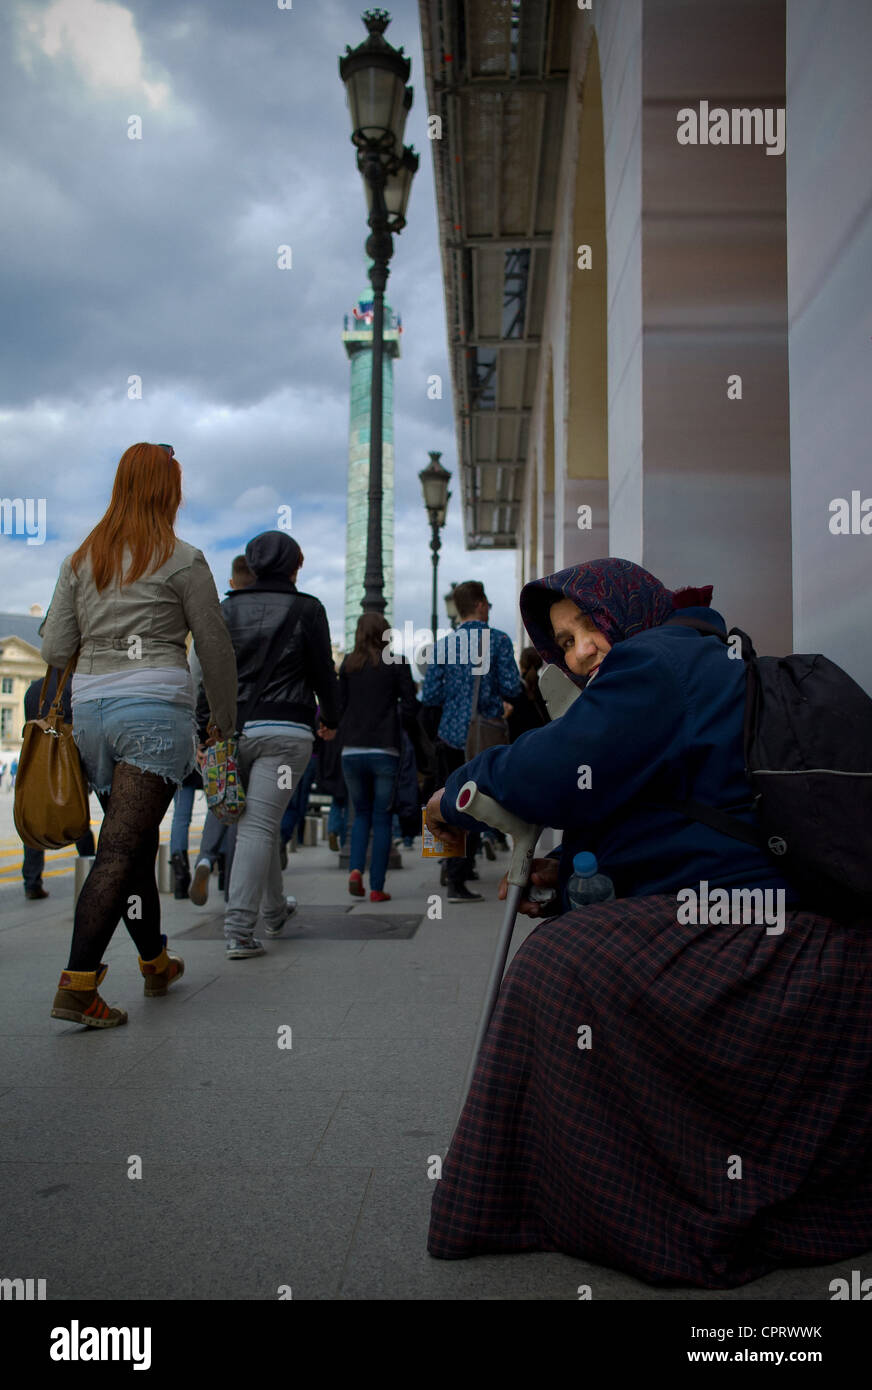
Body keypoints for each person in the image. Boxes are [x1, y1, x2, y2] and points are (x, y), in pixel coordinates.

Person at [424, 557, 872, 1288]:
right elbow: (665, 817)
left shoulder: (656, 660)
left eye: (585, 626)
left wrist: (454, 793)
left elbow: (554, 766)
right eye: (563, 643)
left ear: (625, 606)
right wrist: (562, 874)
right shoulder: (688, 658)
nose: (580, 652)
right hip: (746, 901)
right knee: (567, 950)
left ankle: (604, 1200)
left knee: (557, 963)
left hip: (753, 916)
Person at [39, 442, 237, 1028]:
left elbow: (53, 648)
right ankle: (78, 985)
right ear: (166, 490)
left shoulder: (81, 560)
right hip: (152, 712)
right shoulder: (183, 559)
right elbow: (215, 647)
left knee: (135, 844)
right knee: (122, 850)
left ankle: (155, 961)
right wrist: (224, 717)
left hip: (93, 714)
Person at [197, 530, 339, 958]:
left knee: (259, 823)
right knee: (259, 825)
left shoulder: (225, 609)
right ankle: (239, 929)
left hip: (233, 730)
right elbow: (322, 673)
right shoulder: (308, 608)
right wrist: (330, 720)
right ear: (295, 565)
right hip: (286, 732)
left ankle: (274, 912)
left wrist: (203, 726)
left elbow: (210, 671)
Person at [421, 580, 523, 903]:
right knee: (479, 801)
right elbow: (512, 688)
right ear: (480, 604)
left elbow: (432, 694)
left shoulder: (444, 645)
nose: (490, 608)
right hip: (483, 738)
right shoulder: (498, 641)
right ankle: (459, 874)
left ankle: (451, 868)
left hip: (450, 736)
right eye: (488, 603)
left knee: (445, 797)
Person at [188, 555, 256, 906]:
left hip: (218, 725)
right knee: (244, 809)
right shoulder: (265, 612)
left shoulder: (218, 614)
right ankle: (234, 889)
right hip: (257, 719)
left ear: (232, 583)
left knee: (221, 794)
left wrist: (199, 729)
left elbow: (197, 675)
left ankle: (204, 858)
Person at [338, 614, 418, 902]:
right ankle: (376, 888)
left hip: (352, 751)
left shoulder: (348, 664)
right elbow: (410, 707)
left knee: (360, 814)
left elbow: (338, 707)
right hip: (385, 749)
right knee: (382, 817)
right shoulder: (397, 664)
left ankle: (356, 870)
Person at [19, 670, 96, 900]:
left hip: (37, 764)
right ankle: (90, 875)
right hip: (68, 764)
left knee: (35, 821)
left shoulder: (34, 690)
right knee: (78, 819)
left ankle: (32, 881)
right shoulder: (76, 688)